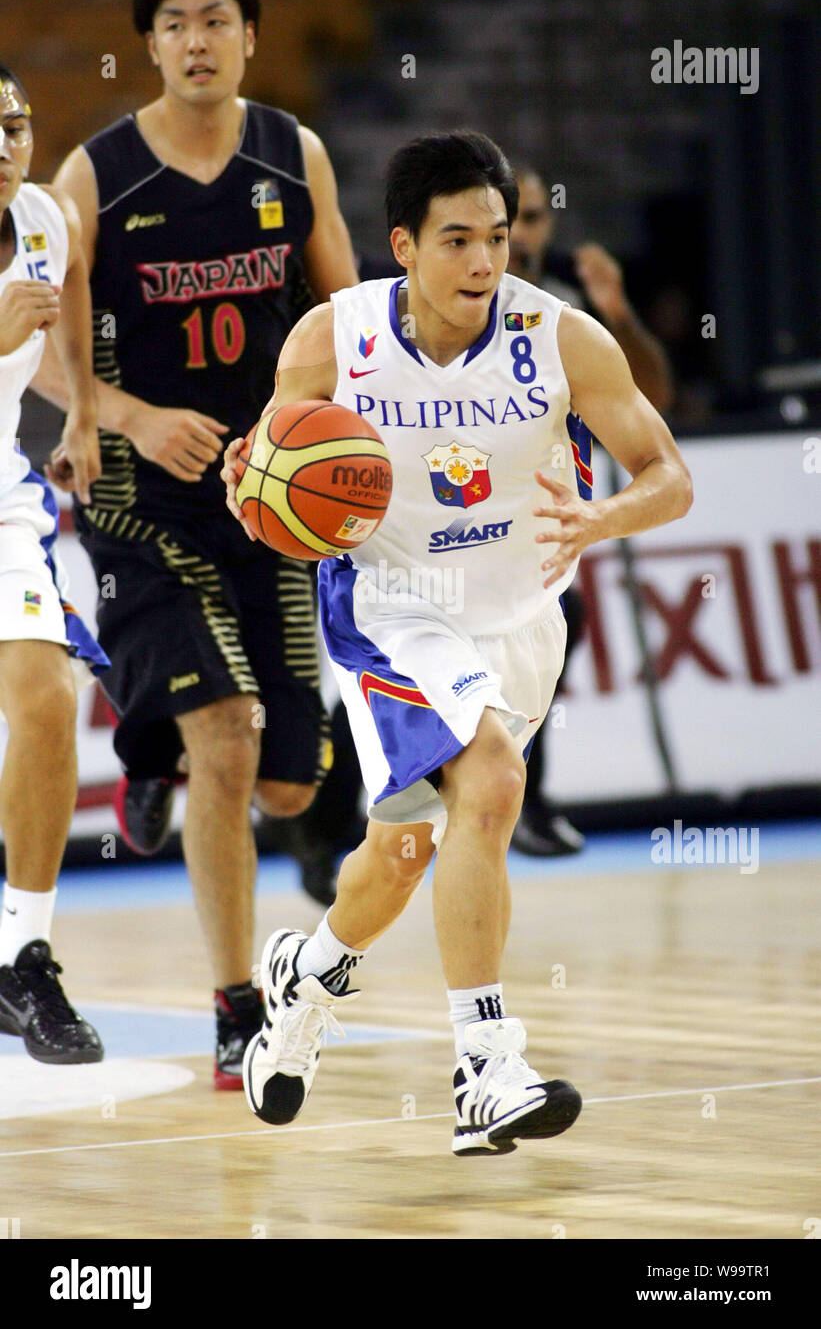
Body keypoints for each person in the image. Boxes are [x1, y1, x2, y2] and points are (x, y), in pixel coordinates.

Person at [222, 131, 693, 1156]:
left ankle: (308, 974)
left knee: (399, 853)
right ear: (402, 244)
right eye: (456, 241)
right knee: (487, 786)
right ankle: (484, 1064)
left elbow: (668, 474)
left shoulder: (561, 338)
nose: (484, 263)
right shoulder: (328, 340)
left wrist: (599, 520)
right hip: (390, 607)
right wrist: (249, 479)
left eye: (495, 238)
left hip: (519, 619)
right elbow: (270, 475)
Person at [33, 0, 359, 1089]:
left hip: (266, 502)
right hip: (140, 506)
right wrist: (124, 413)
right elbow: (44, 360)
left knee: (285, 780)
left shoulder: (292, 154)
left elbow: (347, 323)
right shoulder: (96, 176)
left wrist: (345, 439)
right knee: (225, 737)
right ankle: (235, 1010)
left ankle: (144, 738)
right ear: (150, 43)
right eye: (172, 23)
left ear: (250, 34)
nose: (196, 40)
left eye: (215, 18)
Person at [507, 166, 674, 857]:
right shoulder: (443, 307)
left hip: (537, 533)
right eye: (509, 216)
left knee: (547, 633)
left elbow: (653, 395)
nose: (522, 232)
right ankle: (317, 816)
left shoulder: (566, 308)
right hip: (445, 528)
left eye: (535, 217)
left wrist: (617, 313)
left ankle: (525, 801)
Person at [0, 63, 109, 1063]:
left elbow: (64, 336)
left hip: (0, 504)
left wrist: (80, 416)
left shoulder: (42, 219)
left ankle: (21, 956)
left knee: (45, 695)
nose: (4, 145)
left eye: (16, 124)